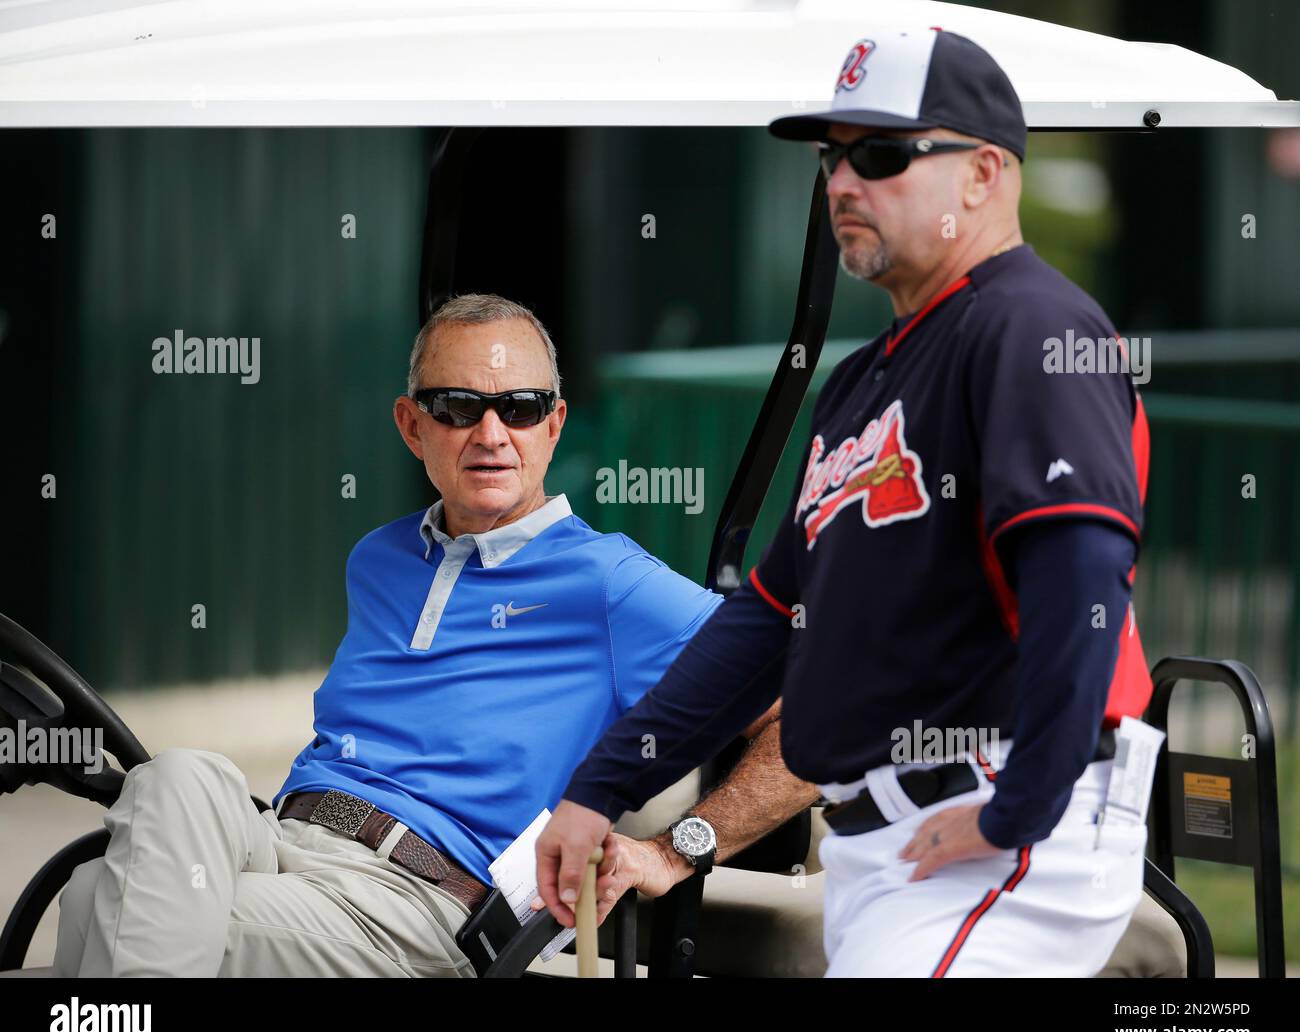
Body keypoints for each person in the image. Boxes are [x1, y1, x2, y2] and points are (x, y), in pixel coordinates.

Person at [537, 29, 1154, 977]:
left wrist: (1017, 806)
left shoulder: (1032, 328)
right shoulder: (867, 378)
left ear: (985, 174)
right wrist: (601, 787)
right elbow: (765, 620)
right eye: (833, 156)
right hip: (886, 840)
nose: (840, 182)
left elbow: (1080, 582)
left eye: (880, 153)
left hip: (1002, 814)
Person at [52, 293, 814, 977]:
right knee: (177, 775)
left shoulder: (611, 583)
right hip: (280, 837)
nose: (490, 433)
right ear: (411, 424)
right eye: (456, 406)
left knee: (103, 903)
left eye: (518, 407)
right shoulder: (379, 557)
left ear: (554, 424)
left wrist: (676, 849)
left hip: (415, 907)